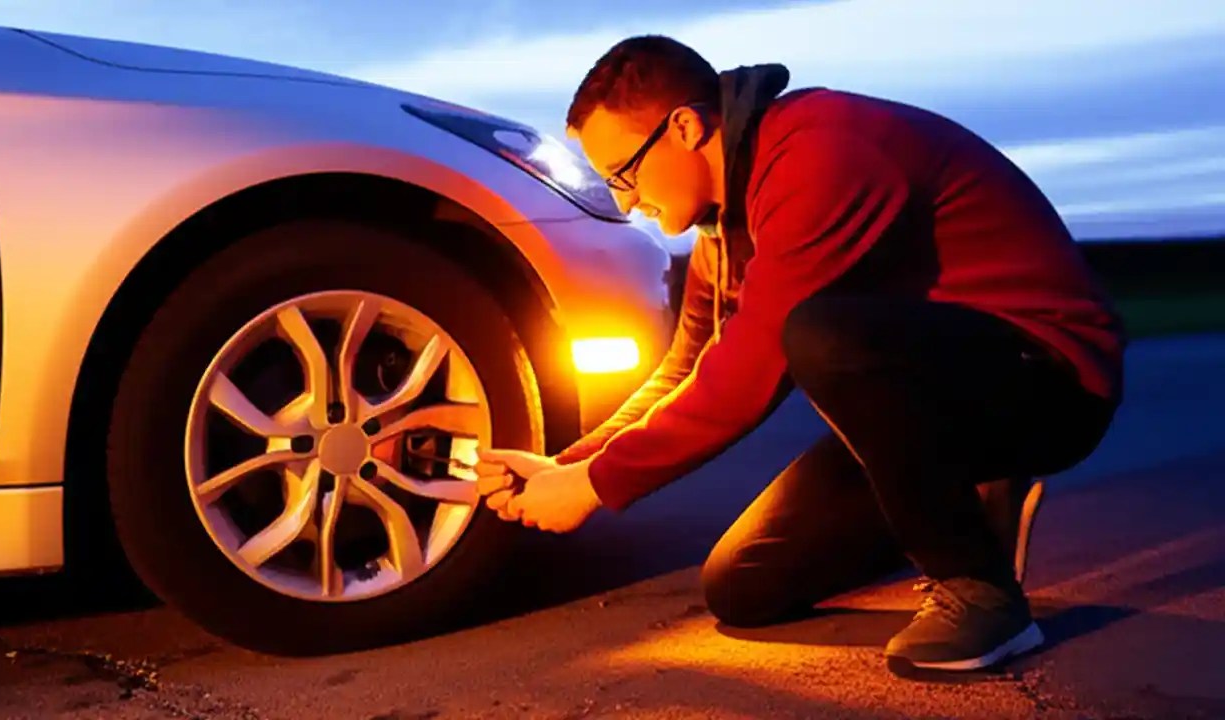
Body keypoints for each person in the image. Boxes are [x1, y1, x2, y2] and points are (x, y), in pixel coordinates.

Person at [475, 35, 1124, 675]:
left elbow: (749, 371)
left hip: (1047, 378)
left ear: (684, 127)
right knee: (744, 588)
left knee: (819, 335)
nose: (622, 200)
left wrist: (594, 487)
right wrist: (566, 465)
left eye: (624, 173)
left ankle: (981, 591)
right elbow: (685, 370)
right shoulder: (721, 226)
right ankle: (956, 506)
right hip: (924, 404)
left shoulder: (820, 151)